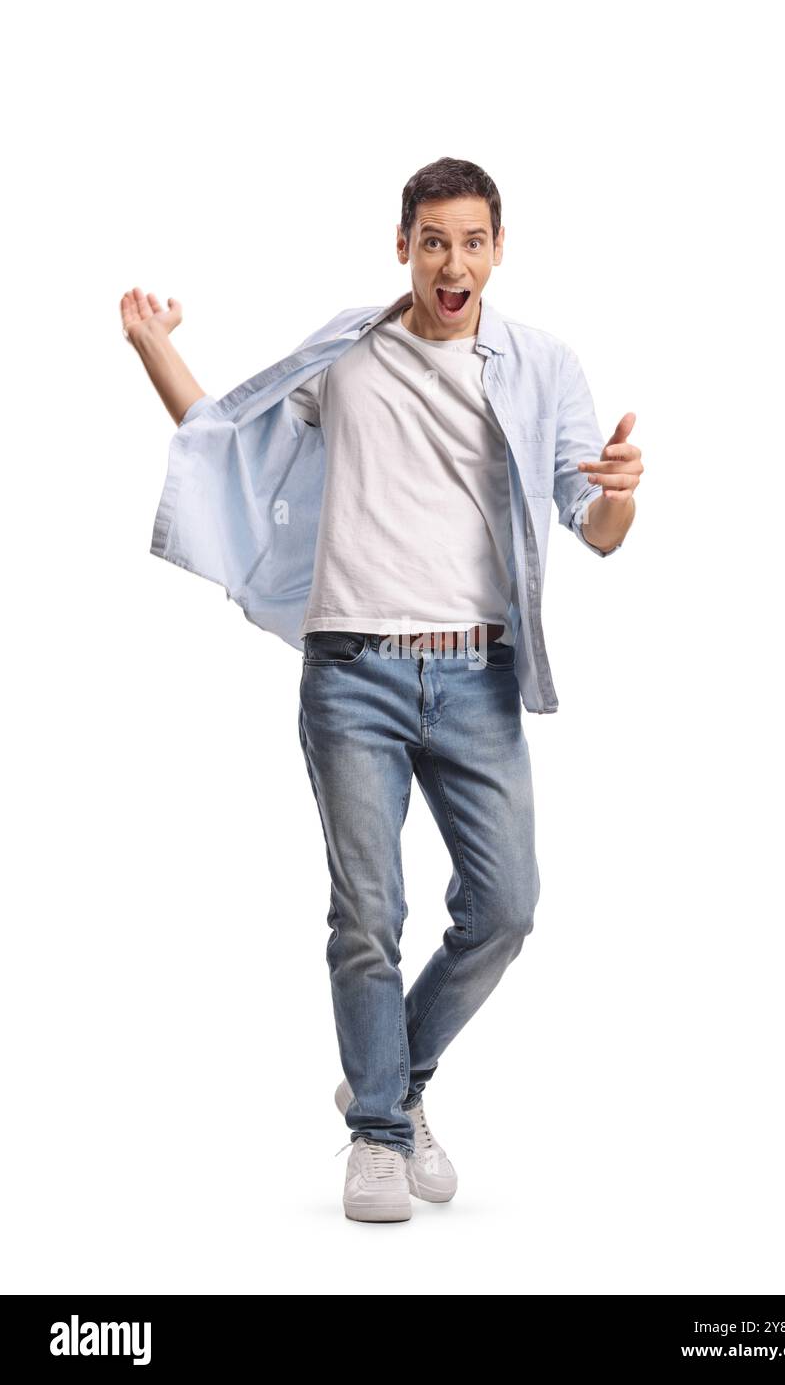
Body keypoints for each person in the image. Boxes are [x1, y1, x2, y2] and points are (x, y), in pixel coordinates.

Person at [121, 156, 643, 1224]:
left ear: (499, 250)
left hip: (478, 673)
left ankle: (391, 1078)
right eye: (432, 239)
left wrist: (616, 499)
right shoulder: (350, 353)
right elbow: (223, 433)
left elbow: (592, 528)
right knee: (368, 912)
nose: (452, 261)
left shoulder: (542, 365)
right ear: (399, 245)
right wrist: (152, 344)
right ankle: (376, 1133)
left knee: (504, 907)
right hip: (352, 670)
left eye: (472, 241)